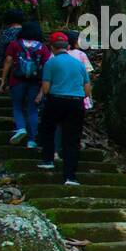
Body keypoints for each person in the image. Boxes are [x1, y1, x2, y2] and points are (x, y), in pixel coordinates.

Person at [34, 32, 90, 185]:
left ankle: (48, 159)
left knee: (49, 129)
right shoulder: (79, 64)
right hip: (76, 102)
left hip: (56, 100)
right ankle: (70, 177)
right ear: (68, 46)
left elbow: (45, 89)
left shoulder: (51, 63)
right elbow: (87, 90)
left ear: (51, 47)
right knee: (72, 139)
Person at [0, 21, 50, 147]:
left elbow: (8, 61)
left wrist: (3, 80)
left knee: (17, 106)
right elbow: (46, 66)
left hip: (17, 80)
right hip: (35, 82)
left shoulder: (14, 44)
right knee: (32, 109)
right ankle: (31, 140)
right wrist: (43, 88)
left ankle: (20, 128)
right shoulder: (42, 47)